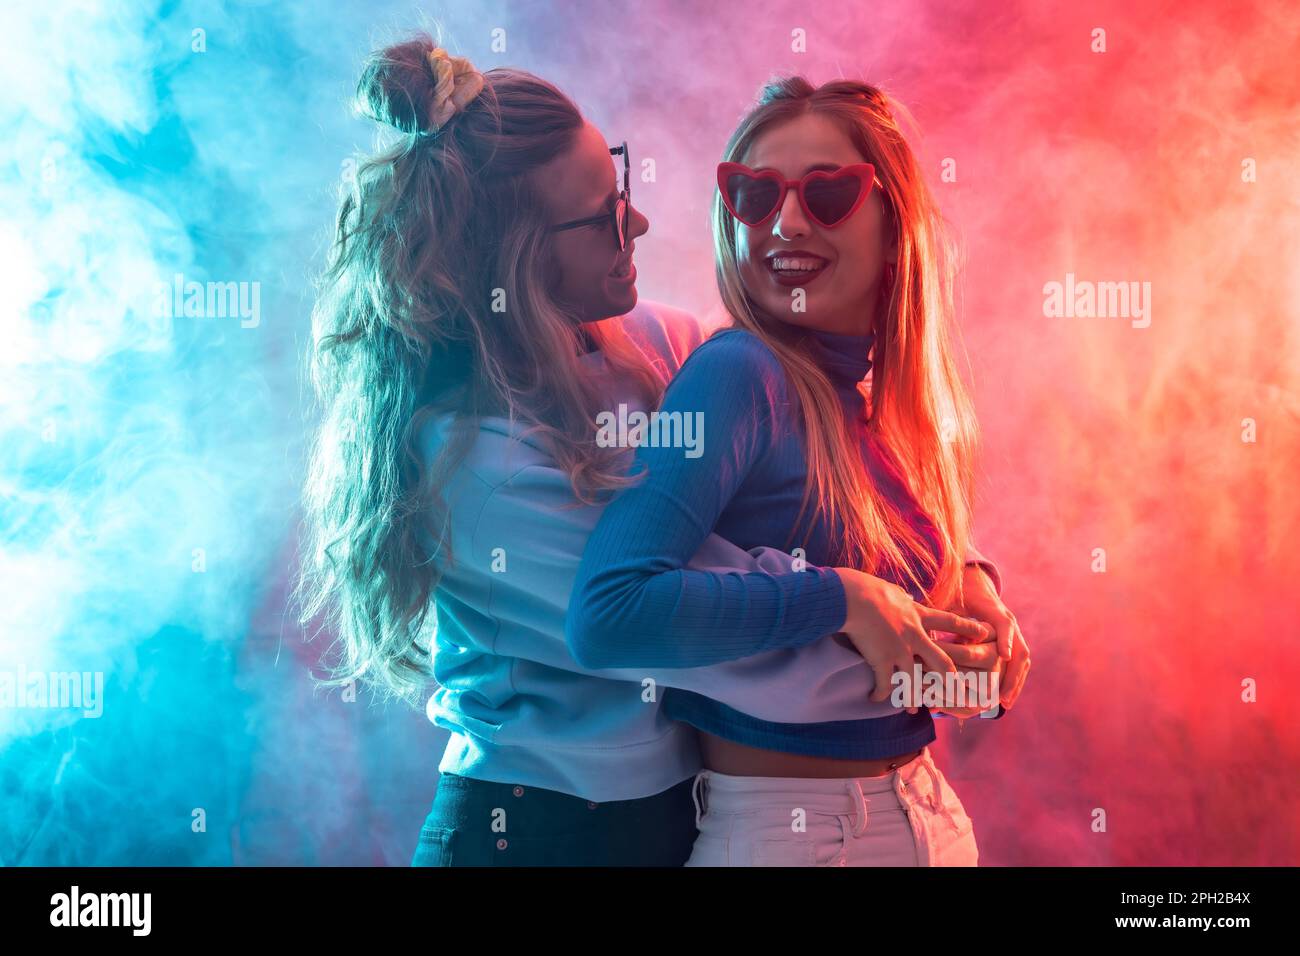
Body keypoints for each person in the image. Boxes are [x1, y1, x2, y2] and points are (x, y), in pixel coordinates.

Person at [298, 35, 1025, 867]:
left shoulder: (654, 343)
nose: (637, 220)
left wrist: (965, 577)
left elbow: (824, 480)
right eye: (603, 213)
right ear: (518, 255)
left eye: (623, 184)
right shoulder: (471, 467)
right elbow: (719, 643)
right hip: (535, 829)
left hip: (672, 812)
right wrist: (900, 639)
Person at [566, 76, 1031, 866]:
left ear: (896, 224)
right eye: (753, 194)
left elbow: (891, 687)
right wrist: (837, 596)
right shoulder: (740, 373)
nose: (785, 222)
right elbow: (609, 613)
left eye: (829, 193)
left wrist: (977, 649)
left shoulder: (873, 402)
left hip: (923, 815)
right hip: (801, 835)